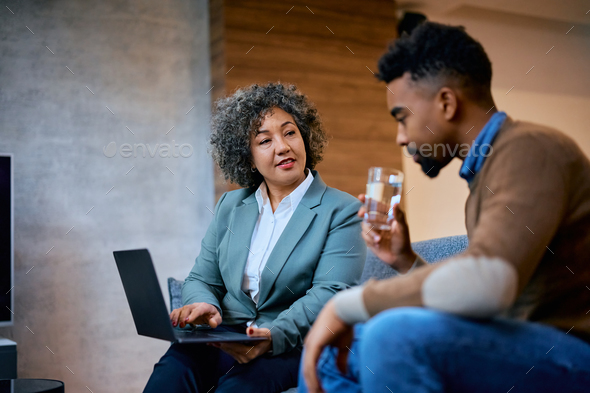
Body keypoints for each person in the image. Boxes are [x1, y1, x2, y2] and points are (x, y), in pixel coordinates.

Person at [299, 22, 590, 393]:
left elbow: (488, 283)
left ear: (447, 103)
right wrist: (405, 260)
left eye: (402, 117)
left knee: (391, 336)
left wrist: (348, 304)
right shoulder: (485, 174)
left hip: (571, 354)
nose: (401, 137)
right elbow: (482, 292)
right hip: (519, 346)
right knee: (334, 356)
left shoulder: (531, 148)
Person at [142, 82, 366, 393]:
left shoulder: (342, 210)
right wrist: (207, 306)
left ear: (305, 138)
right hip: (227, 334)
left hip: (293, 342)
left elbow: (329, 293)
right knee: (169, 378)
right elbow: (202, 278)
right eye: (264, 140)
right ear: (248, 157)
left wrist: (271, 336)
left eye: (290, 133)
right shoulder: (231, 206)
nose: (283, 146)